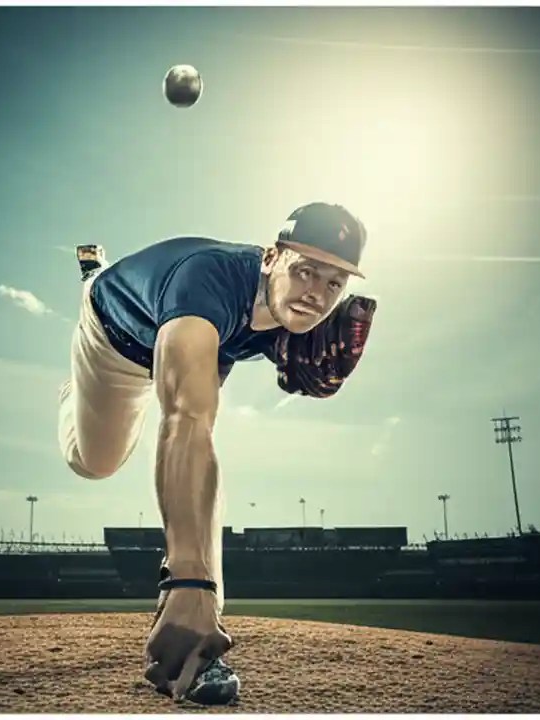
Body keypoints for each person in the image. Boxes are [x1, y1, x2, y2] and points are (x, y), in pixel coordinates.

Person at [58, 202, 373, 704]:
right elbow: (185, 420)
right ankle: (87, 309)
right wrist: (187, 576)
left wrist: (201, 585)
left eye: (334, 283)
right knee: (95, 462)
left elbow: (200, 429)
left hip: (200, 347)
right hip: (116, 340)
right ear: (271, 257)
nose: (317, 294)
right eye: (306, 270)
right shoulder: (207, 282)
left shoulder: (291, 311)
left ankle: (203, 650)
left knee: (210, 473)